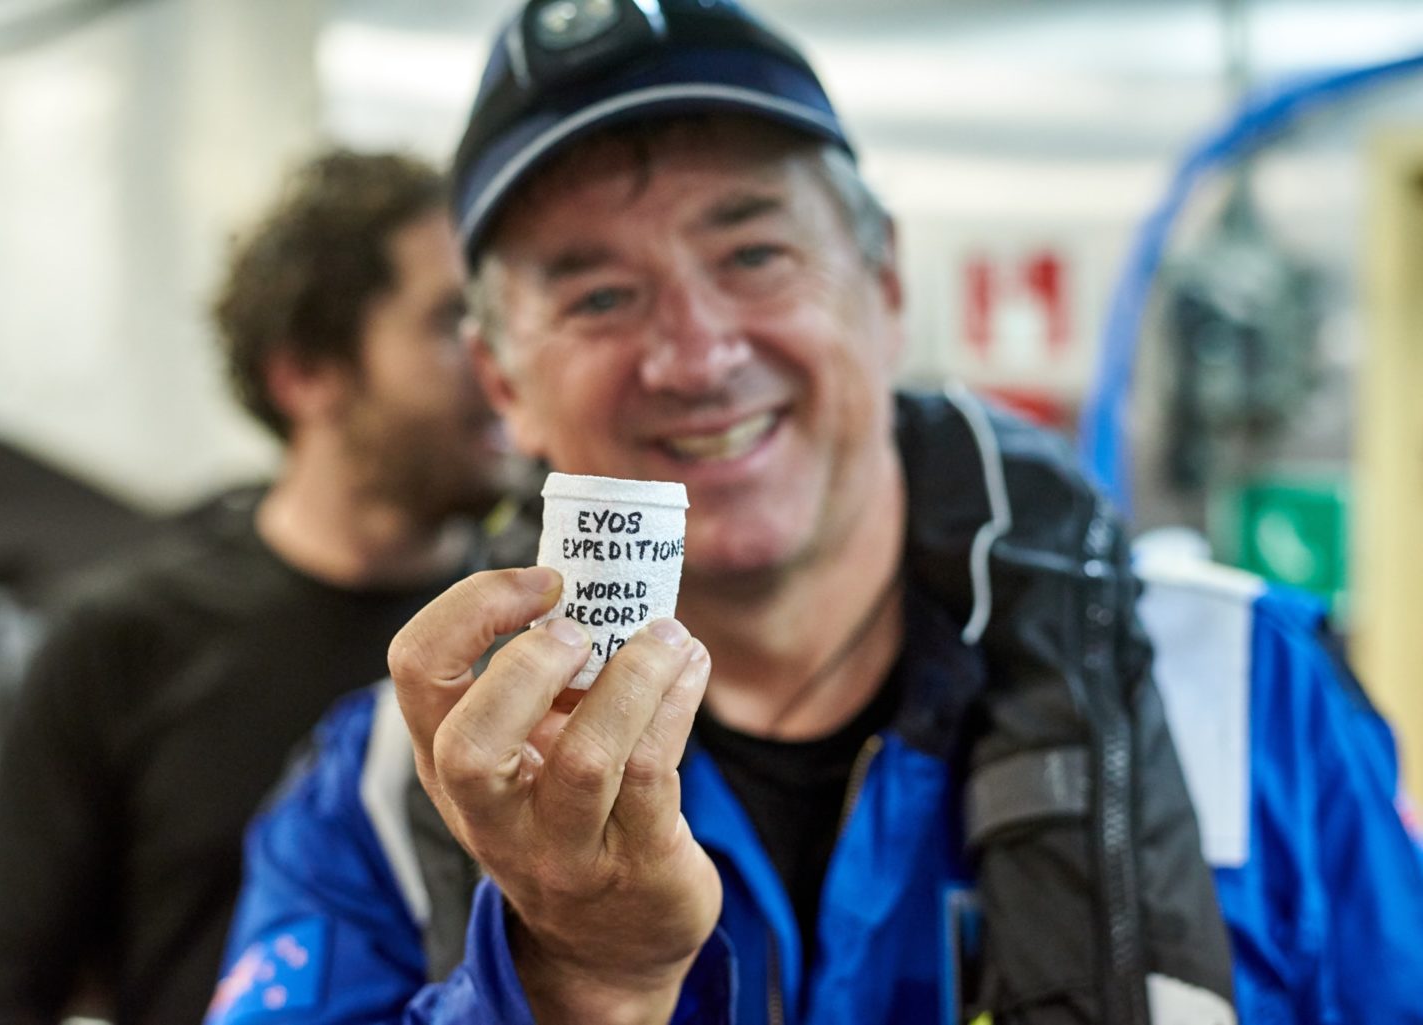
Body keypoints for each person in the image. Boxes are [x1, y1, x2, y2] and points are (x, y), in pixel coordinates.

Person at [209, 2, 1423, 1023]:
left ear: (885, 282)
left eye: (754, 254)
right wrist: (582, 979)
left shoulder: (1245, 695)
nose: (695, 353)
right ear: (503, 379)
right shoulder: (377, 803)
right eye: (598, 295)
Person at [0, 149, 514, 1025]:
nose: (497, 358)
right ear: (305, 373)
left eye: (501, 319)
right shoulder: (121, 643)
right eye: (451, 320)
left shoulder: (531, 639)